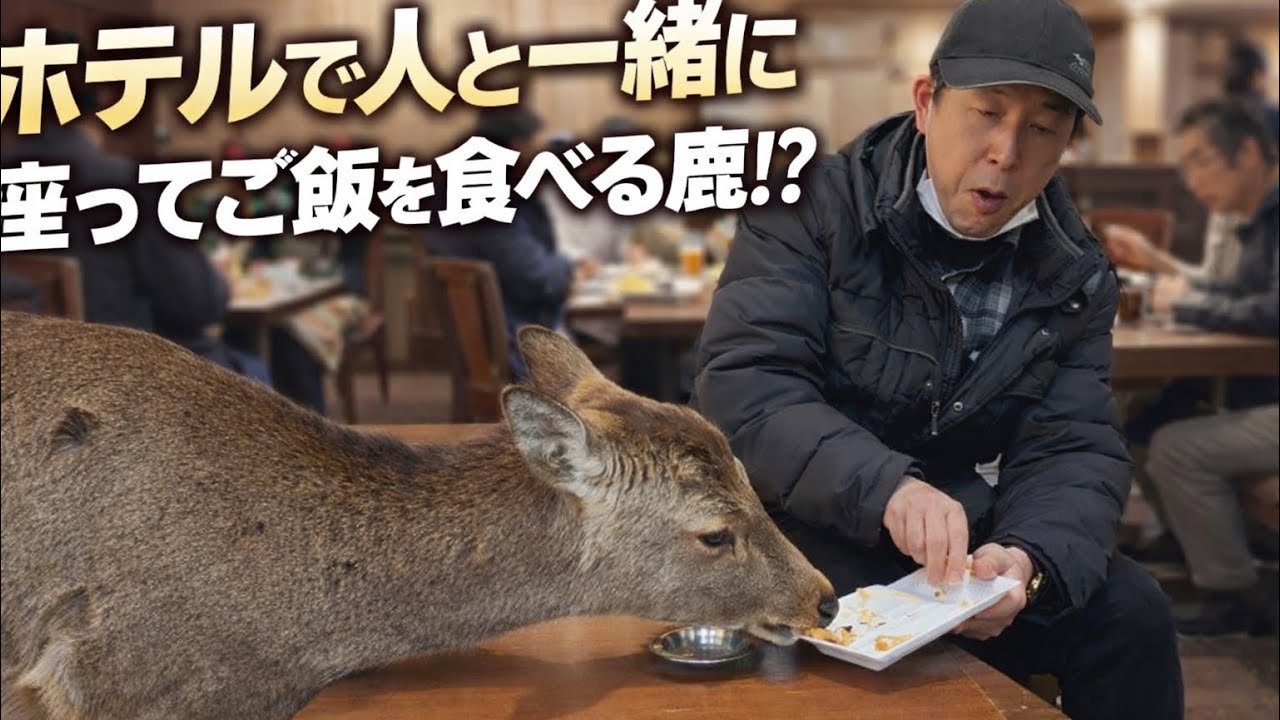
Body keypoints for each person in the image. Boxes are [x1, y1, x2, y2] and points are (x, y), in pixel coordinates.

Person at [691, 2, 1182, 718]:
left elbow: (1072, 443)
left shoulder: (1075, 275)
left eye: (1043, 128)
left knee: (1129, 613)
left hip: (954, 550)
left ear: (1068, 144)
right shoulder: (807, 205)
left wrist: (1027, 561)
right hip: (803, 528)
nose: (1007, 153)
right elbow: (749, 391)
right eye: (987, 113)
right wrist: (889, 490)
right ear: (927, 103)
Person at [0, 30, 268, 384]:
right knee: (256, 372)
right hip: (133, 391)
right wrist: (217, 280)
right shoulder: (125, 184)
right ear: (102, 97)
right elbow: (198, 305)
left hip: (30, 392)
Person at [1138, 100, 1279, 636]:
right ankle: (1187, 540)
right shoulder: (1262, 218)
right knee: (1146, 419)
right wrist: (1188, 293)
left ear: (1245, 151)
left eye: (1199, 160)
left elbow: (1272, 309)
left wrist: (1188, 303)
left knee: (1178, 446)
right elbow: (1249, 294)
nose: (1191, 179)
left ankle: (1237, 594)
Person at [428, 106, 576, 380]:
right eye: (529, 144)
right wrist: (569, 266)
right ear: (515, 146)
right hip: (512, 342)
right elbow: (536, 278)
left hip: (486, 336)